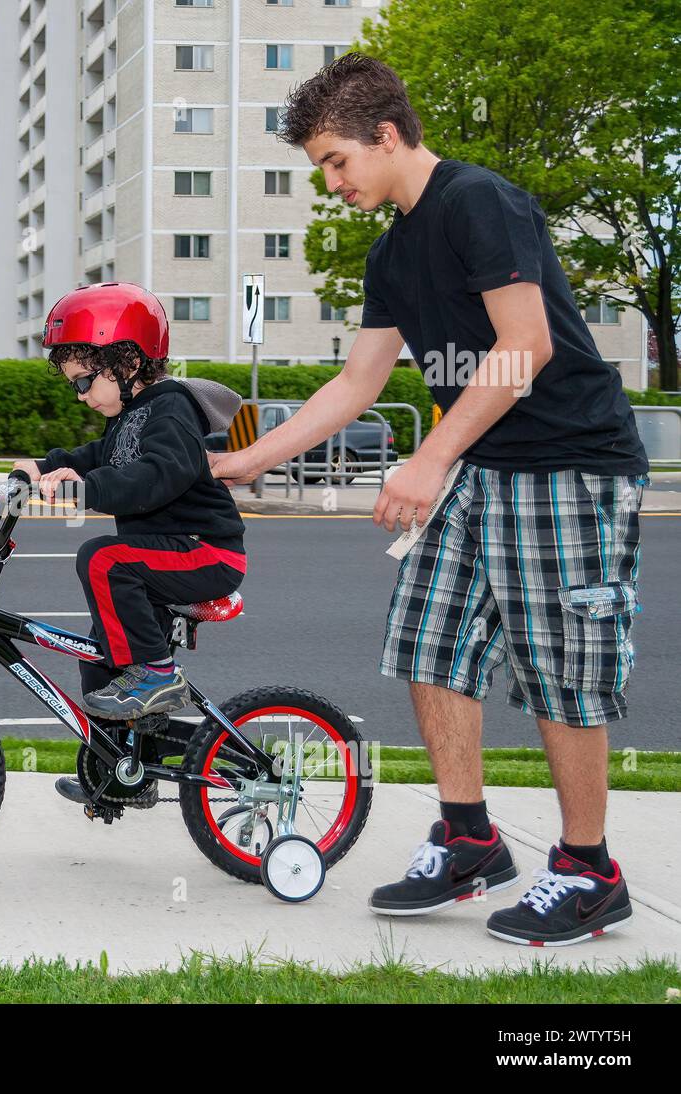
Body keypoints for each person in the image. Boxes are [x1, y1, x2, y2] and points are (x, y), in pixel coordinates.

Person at [210, 54, 648, 946]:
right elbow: (356, 384)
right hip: (480, 470)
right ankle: (469, 840)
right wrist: (243, 462)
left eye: (337, 161)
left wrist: (430, 458)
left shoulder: (478, 202)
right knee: (430, 646)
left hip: (568, 463)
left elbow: (525, 347)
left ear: (386, 134)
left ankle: (589, 870)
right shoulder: (392, 251)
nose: (330, 183)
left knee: (564, 675)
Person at [12, 283, 247, 810]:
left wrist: (84, 490)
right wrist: (43, 468)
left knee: (101, 556)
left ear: (127, 359)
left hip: (203, 551)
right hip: (161, 557)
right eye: (74, 385)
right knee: (97, 661)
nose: (82, 395)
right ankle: (127, 775)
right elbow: (97, 454)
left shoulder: (170, 409)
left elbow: (160, 474)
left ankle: (158, 676)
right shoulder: (128, 418)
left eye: (86, 381)